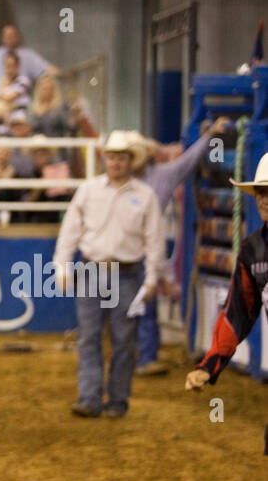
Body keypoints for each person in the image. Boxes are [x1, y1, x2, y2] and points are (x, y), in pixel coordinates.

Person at [53, 130, 165, 418]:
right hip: (91, 270)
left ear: (131, 160)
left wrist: (152, 278)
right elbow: (70, 231)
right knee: (89, 337)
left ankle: (117, 400)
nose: (116, 162)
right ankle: (90, 398)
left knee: (124, 341)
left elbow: (154, 241)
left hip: (127, 274)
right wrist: (62, 265)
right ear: (105, 159)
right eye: (112, 157)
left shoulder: (146, 195)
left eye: (121, 157)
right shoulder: (89, 190)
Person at [129, 118, 231, 376]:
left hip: (139, 249)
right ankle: (140, 355)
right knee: (136, 304)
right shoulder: (154, 177)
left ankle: (142, 356)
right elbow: (186, 163)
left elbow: (187, 162)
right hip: (129, 249)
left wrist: (208, 137)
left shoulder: (157, 176)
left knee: (140, 303)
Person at [185, 151, 268, 453]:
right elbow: (238, 313)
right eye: (261, 192)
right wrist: (210, 365)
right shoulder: (253, 250)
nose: (265, 200)